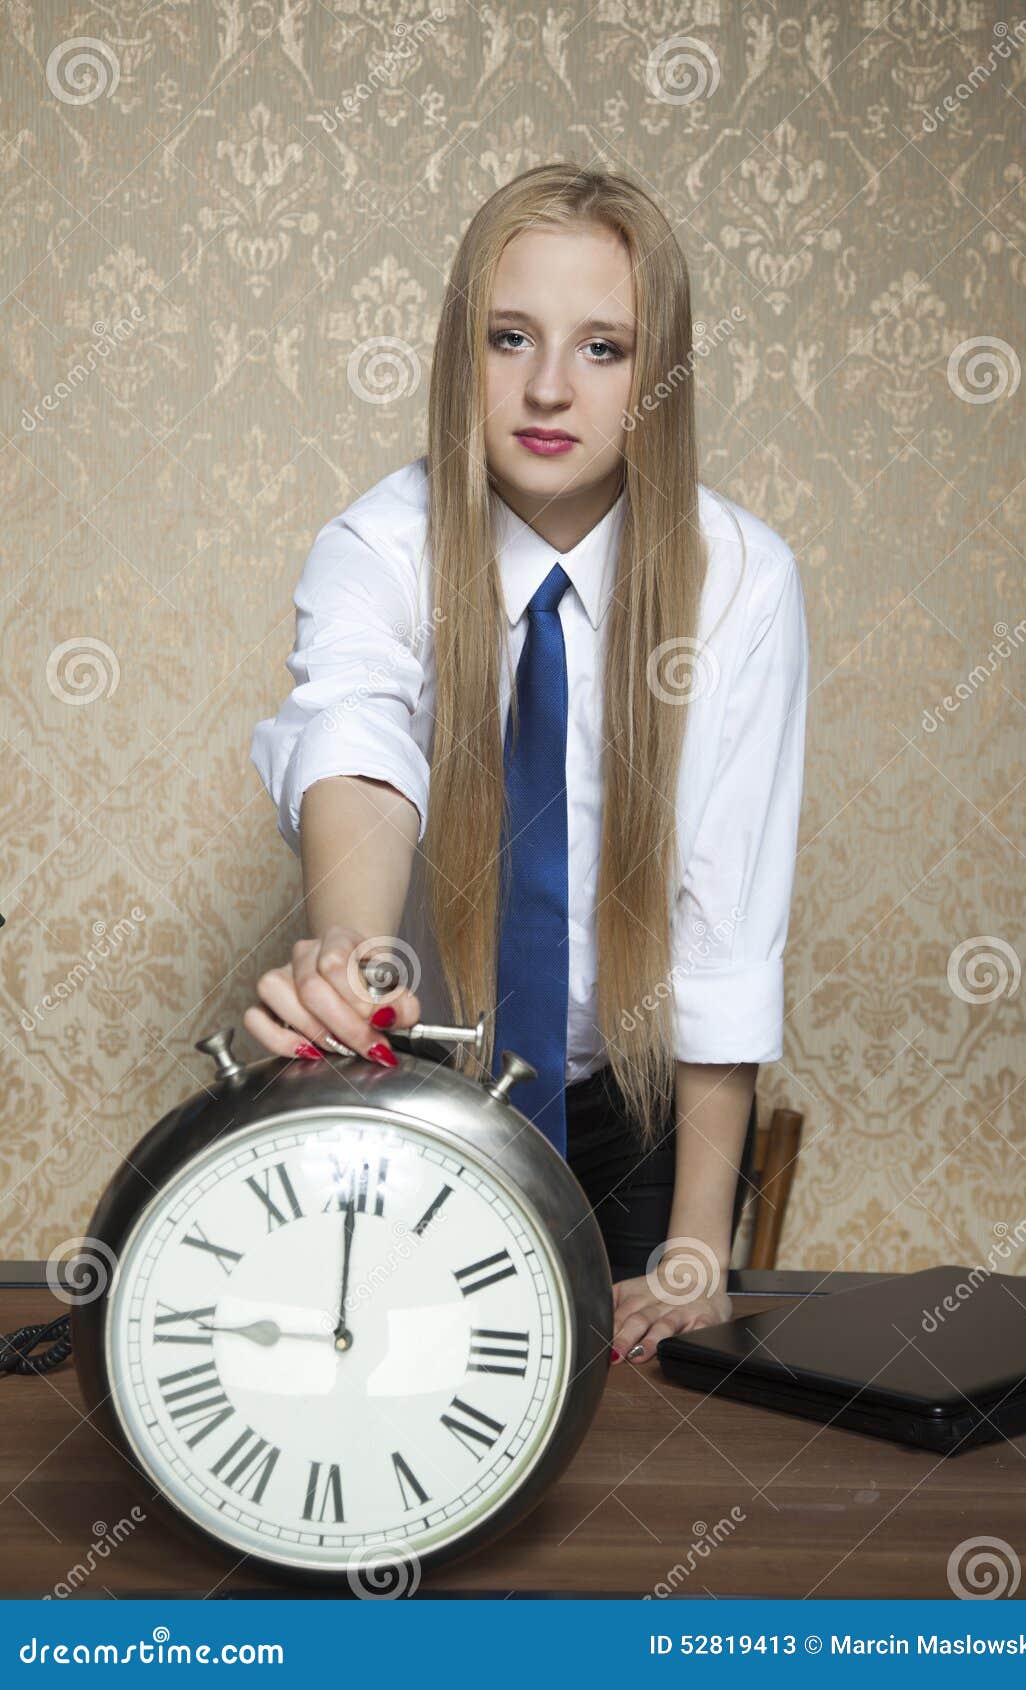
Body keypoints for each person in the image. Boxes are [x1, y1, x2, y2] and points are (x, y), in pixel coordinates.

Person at [247, 161, 808, 1368]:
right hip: (420, 1087)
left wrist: (696, 1251)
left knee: (634, 1479)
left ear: (656, 376)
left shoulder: (742, 581)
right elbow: (353, 738)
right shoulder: (376, 546)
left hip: (637, 1116)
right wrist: (354, 958)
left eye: (603, 348)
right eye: (511, 337)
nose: (548, 387)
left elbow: (723, 925)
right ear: (462, 352)